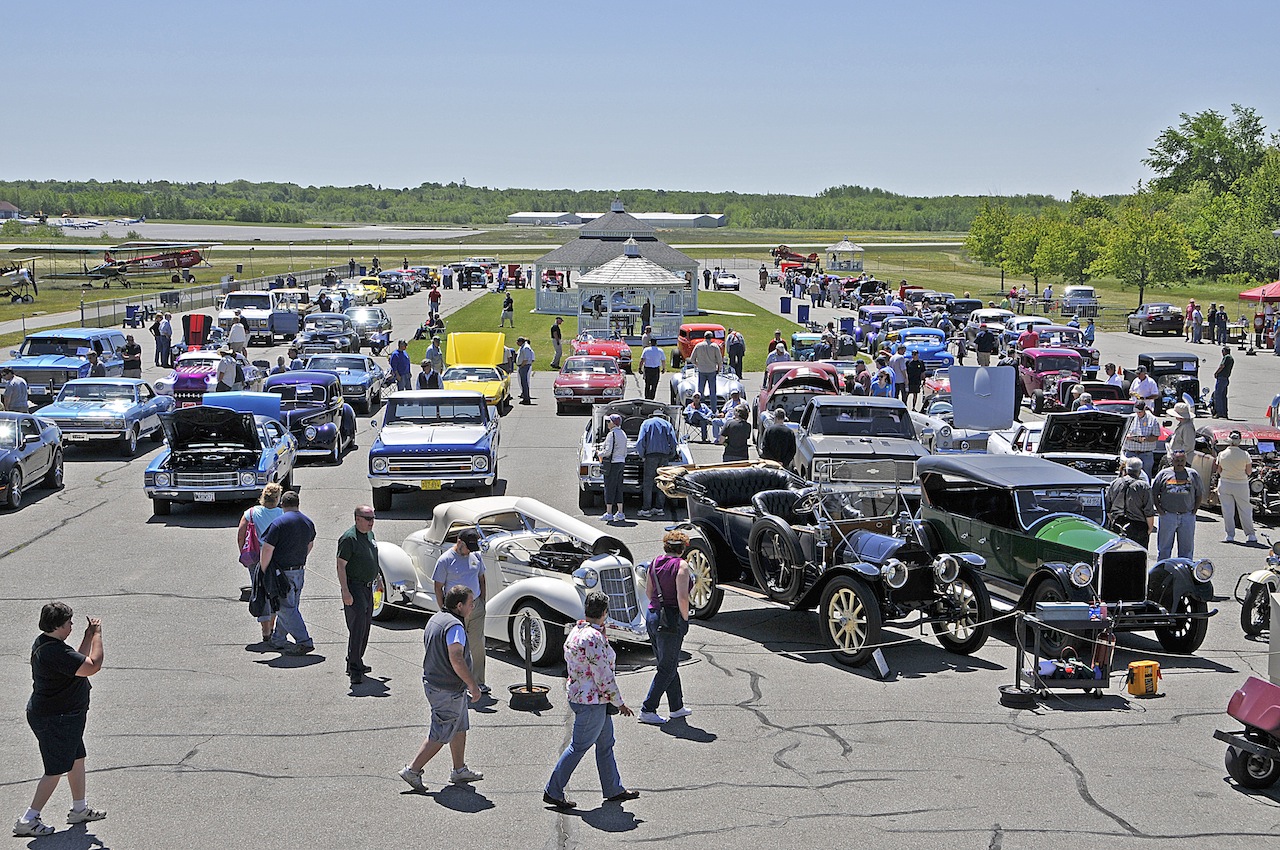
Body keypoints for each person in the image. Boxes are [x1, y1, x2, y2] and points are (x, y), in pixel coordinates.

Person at [14, 602, 106, 838]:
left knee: (77, 759)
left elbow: (77, 661)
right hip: (56, 719)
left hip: (64, 718)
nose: (71, 626)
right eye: (68, 623)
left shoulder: (48, 644)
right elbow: (92, 665)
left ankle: (79, 809)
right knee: (55, 770)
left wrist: (86, 636)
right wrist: (97, 635)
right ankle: (28, 819)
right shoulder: (55, 652)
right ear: (58, 626)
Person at [542, 590, 637, 809]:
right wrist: (619, 702)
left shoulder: (577, 630)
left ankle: (614, 788)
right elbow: (603, 675)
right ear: (604, 612)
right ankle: (553, 790)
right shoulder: (593, 638)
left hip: (584, 697)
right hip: (592, 702)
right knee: (579, 746)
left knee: (606, 744)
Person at [398, 586, 483, 793]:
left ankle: (459, 769)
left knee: (459, 726)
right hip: (447, 689)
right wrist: (473, 684)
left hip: (440, 685)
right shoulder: (455, 627)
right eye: (470, 603)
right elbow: (456, 657)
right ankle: (413, 770)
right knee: (441, 732)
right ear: (459, 605)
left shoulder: (436, 619)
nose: (473, 606)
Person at [638, 529, 695, 726]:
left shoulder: (654, 563)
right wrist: (685, 618)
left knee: (669, 663)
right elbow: (682, 596)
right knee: (667, 667)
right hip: (671, 620)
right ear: (682, 549)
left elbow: (648, 591)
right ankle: (648, 709)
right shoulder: (682, 566)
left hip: (653, 616)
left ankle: (676, 706)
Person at [432, 529, 489, 695]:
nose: (470, 551)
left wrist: (482, 601)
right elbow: (438, 587)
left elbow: (482, 579)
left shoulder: (476, 556)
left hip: (476, 606)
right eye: (467, 547)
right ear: (459, 542)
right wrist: (444, 610)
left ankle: (479, 682)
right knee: (458, 647)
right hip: (456, 610)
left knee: (478, 644)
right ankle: (460, 680)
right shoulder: (445, 560)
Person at [260, 490, 317, 654]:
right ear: (298, 504)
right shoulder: (308, 522)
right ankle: (278, 639)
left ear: (282, 504)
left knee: (284, 608)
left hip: (281, 573)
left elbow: (267, 549)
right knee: (290, 606)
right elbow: (310, 545)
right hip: (299, 571)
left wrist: (263, 571)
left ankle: (304, 641)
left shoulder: (279, 523)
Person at [337, 505, 380, 685]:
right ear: (357, 519)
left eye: (373, 518)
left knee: (366, 626)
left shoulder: (370, 535)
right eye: (368, 518)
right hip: (354, 587)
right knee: (358, 628)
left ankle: (356, 660)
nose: (371, 522)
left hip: (368, 587)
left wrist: (378, 577)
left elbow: (372, 556)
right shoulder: (349, 538)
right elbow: (341, 565)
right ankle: (354, 668)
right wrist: (345, 591)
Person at [238, 483, 283, 643]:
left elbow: (241, 534)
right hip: (276, 558)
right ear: (277, 498)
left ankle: (265, 629)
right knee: (275, 591)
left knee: (259, 590)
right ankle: (272, 624)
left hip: (256, 557)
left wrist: (243, 553)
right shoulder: (282, 513)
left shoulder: (250, 513)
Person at [1151, 448, 1203, 559]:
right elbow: (1154, 493)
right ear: (1172, 461)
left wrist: (1194, 511)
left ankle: (1185, 572)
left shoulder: (1193, 474)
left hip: (1187, 516)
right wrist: (1159, 510)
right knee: (1164, 548)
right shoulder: (1163, 474)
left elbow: (1199, 494)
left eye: (1182, 460)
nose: (1179, 463)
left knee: (1186, 549)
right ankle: (1162, 572)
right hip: (1168, 515)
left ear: (1186, 460)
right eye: (1177, 460)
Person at [1215, 430, 1258, 544]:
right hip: (1241, 484)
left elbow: (1219, 470)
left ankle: (1230, 535)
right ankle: (1250, 534)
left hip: (1225, 483)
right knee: (1245, 510)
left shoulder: (1222, 454)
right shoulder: (1245, 455)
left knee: (1227, 510)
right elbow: (1249, 472)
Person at [635, 408, 678, 517]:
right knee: (662, 482)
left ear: (652, 416)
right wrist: (671, 454)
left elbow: (640, 441)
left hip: (650, 456)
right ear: (662, 416)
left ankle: (646, 509)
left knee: (648, 483)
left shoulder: (646, 423)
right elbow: (673, 441)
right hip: (664, 457)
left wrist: (642, 454)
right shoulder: (667, 424)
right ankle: (659, 508)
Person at [1105, 457, 1156, 548]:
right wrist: (1149, 528)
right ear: (1140, 471)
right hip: (1138, 526)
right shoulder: (1143, 486)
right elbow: (1149, 511)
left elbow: (1108, 507)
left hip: (1117, 523)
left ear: (1127, 469)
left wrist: (1113, 520)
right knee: (1138, 556)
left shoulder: (1114, 484)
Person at [598, 413, 628, 523]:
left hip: (612, 463)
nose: (607, 424)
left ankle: (609, 512)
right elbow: (625, 451)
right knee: (619, 487)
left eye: (608, 422)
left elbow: (607, 451)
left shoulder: (611, 434)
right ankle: (620, 512)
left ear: (612, 423)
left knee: (609, 487)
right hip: (621, 463)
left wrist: (599, 453)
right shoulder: (623, 434)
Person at [1122, 399, 1161, 478]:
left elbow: (1156, 437)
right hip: (1131, 453)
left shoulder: (1153, 420)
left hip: (1146, 454)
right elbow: (1122, 433)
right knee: (1128, 475)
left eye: (1140, 412)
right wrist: (1127, 436)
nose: (1138, 414)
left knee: (1146, 476)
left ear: (1144, 409)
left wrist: (1145, 439)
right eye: (1137, 412)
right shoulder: (1130, 418)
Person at [689, 331, 723, 410]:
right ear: (711, 337)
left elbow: (692, 359)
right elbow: (719, 361)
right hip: (712, 370)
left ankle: (701, 407)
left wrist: (698, 364)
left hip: (702, 370)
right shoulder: (714, 346)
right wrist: (718, 369)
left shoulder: (698, 346)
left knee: (700, 391)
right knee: (713, 392)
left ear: (704, 337)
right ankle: (713, 409)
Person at [1213, 346, 1233, 418]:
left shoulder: (1227, 357)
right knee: (1223, 396)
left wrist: (1216, 372)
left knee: (1217, 395)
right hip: (1226, 378)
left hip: (1221, 378)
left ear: (1225, 351)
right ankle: (1225, 412)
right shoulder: (1231, 358)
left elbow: (1222, 366)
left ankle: (1219, 413)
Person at [516, 337, 535, 404]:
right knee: (523, 382)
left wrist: (521, 366)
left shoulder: (526, 348)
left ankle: (526, 399)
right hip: (523, 366)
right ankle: (525, 397)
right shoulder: (523, 347)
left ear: (521, 342)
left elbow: (526, 359)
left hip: (524, 366)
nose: (517, 343)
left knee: (524, 383)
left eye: (517, 341)